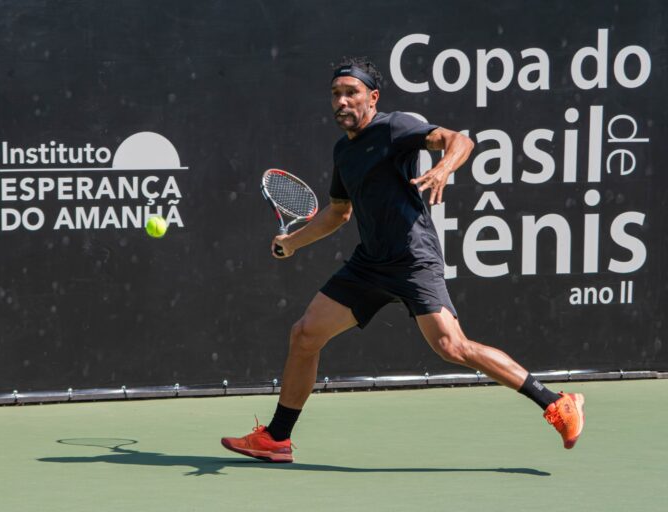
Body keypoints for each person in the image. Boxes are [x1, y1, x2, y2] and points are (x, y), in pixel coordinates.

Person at [221, 56, 585, 463]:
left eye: (351, 93)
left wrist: (444, 167)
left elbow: (459, 140)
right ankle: (277, 438)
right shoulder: (344, 152)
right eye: (336, 94)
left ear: (372, 97)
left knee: (452, 347)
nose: (341, 101)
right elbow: (338, 213)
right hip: (370, 263)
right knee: (305, 335)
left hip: (413, 259)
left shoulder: (394, 127)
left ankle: (557, 402)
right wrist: (294, 244)